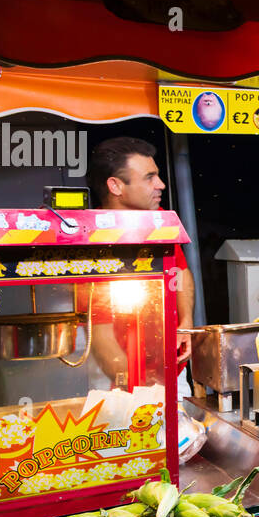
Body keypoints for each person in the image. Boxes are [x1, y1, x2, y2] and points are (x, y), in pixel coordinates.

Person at [86, 137, 195, 387]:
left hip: (172, 375)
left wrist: (185, 323)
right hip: (118, 381)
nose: (161, 185)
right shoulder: (93, 239)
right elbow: (100, 334)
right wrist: (142, 388)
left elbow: (181, 272)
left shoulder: (158, 221)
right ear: (115, 186)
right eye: (149, 177)